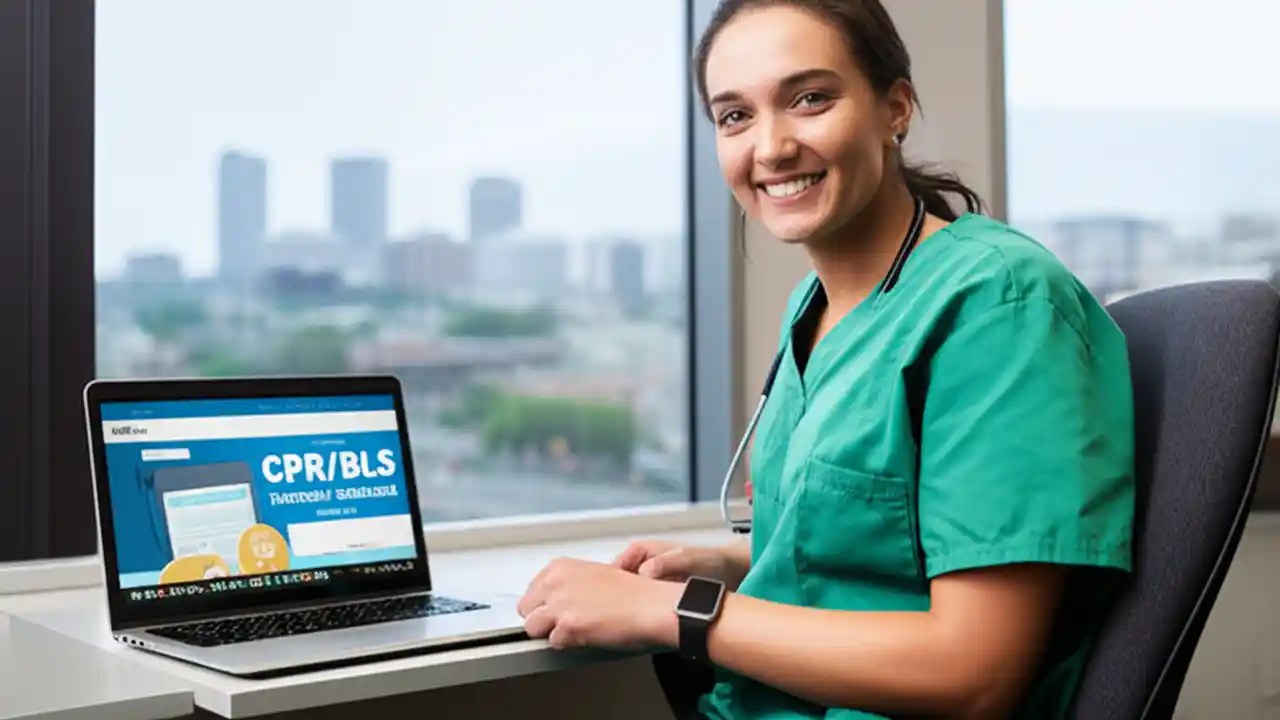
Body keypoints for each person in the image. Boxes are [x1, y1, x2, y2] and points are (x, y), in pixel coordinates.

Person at [516, 1, 1135, 718]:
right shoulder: (813, 309)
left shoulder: (999, 305)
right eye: (734, 116)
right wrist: (732, 565)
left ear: (894, 108)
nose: (771, 147)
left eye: (809, 99)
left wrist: (676, 614)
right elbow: (893, 549)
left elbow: (974, 671)